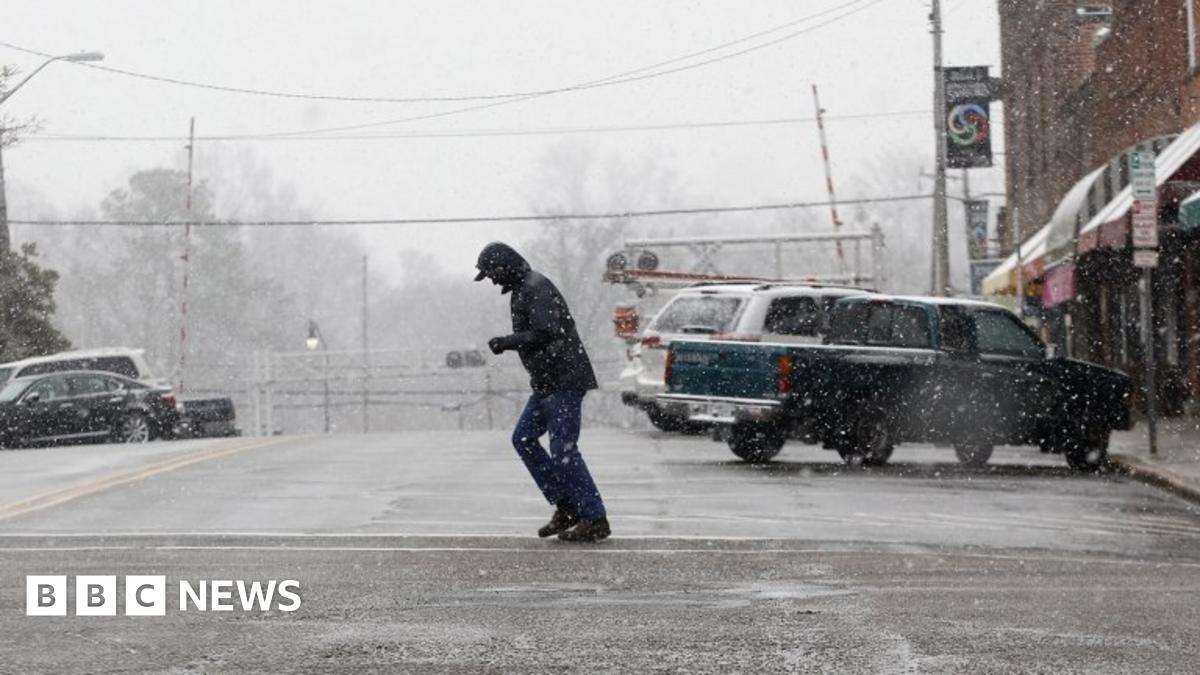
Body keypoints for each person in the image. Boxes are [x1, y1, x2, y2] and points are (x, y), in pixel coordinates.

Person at [474, 241, 610, 542]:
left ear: (504, 266)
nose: (493, 281)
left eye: (492, 274)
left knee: (563, 450)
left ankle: (594, 517)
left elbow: (548, 332)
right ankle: (567, 507)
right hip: (547, 382)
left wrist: (508, 341)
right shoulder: (522, 289)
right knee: (523, 439)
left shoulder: (536, 287)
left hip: (565, 380)